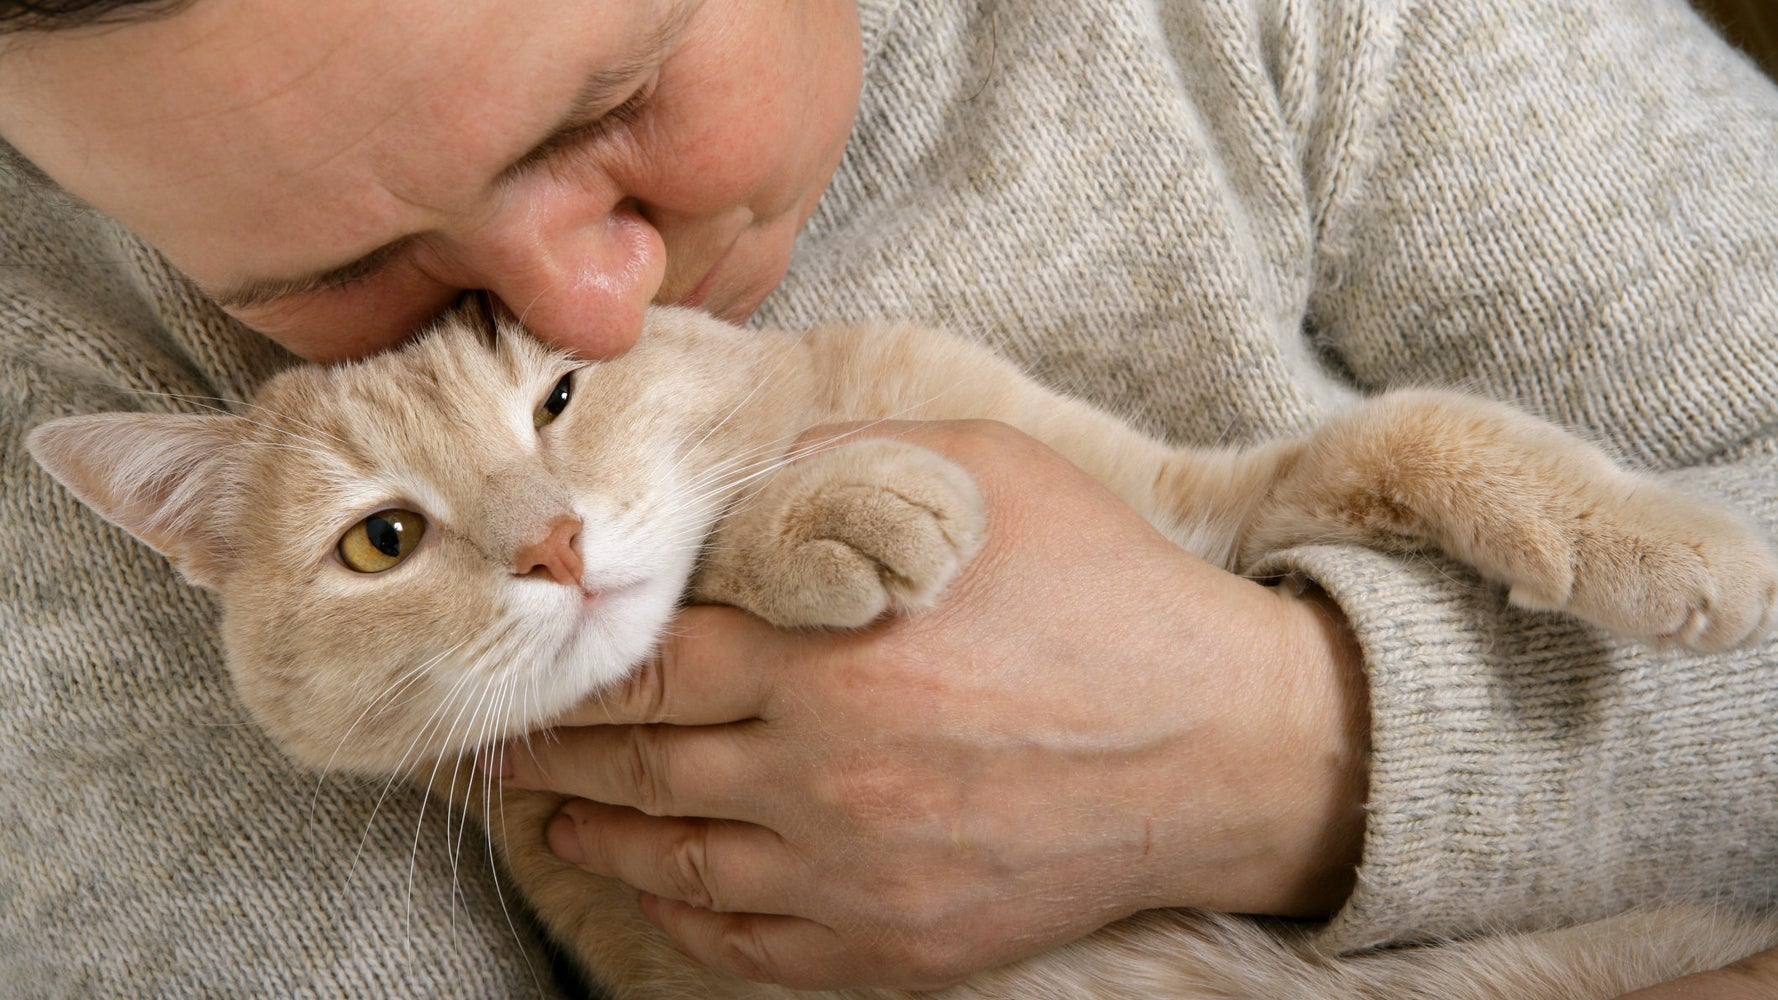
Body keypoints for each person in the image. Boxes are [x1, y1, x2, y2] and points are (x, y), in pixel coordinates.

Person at [1, 0, 1775, 996]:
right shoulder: (67, 361)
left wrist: (1293, 747)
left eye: (607, 104)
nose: (589, 310)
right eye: (344, 267)